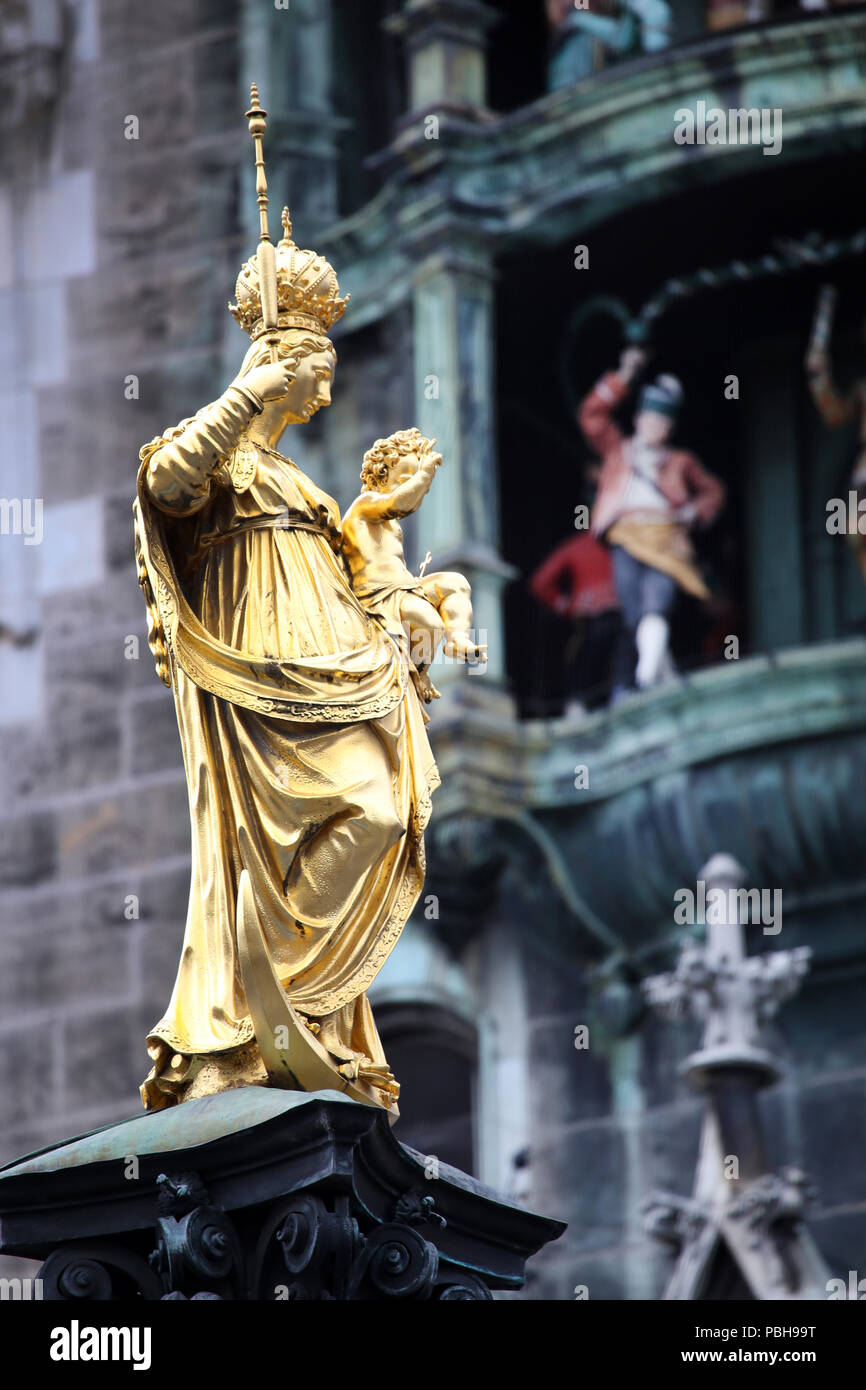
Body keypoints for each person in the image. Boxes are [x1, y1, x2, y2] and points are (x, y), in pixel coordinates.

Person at [134, 210, 440, 1113]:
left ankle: (294, 1005)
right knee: (349, 809)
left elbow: (360, 589)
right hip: (255, 678)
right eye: (318, 368)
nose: (328, 387)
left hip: (323, 674)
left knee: (382, 811)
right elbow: (165, 486)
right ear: (279, 364)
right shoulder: (223, 458)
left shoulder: (302, 483)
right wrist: (239, 396)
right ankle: (252, 1010)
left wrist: (387, 526)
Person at [578, 347, 726, 698]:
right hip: (626, 535)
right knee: (633, 611)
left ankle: (646, 677)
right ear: (638, 420)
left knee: (657, 601)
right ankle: (664, 673)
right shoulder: (620, 451)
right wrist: (624, 376)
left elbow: (714, 492)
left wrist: (694, 510)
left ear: (669, 427)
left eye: (660, 422)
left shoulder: (678, 461)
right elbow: (592, 415)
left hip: (666, 537)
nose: (652, 427)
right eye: (647, 419)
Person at [341, 428, 486, 704]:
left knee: (456, 583)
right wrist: (424, 476)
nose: (414, 487)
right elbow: (400, 502)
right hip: (377, 595)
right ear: (380, 477)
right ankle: (416, 672)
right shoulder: (365, 505)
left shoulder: (390, 522)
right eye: (404, 480)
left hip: (404, 587)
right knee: (430, 622)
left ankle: (456, 640)